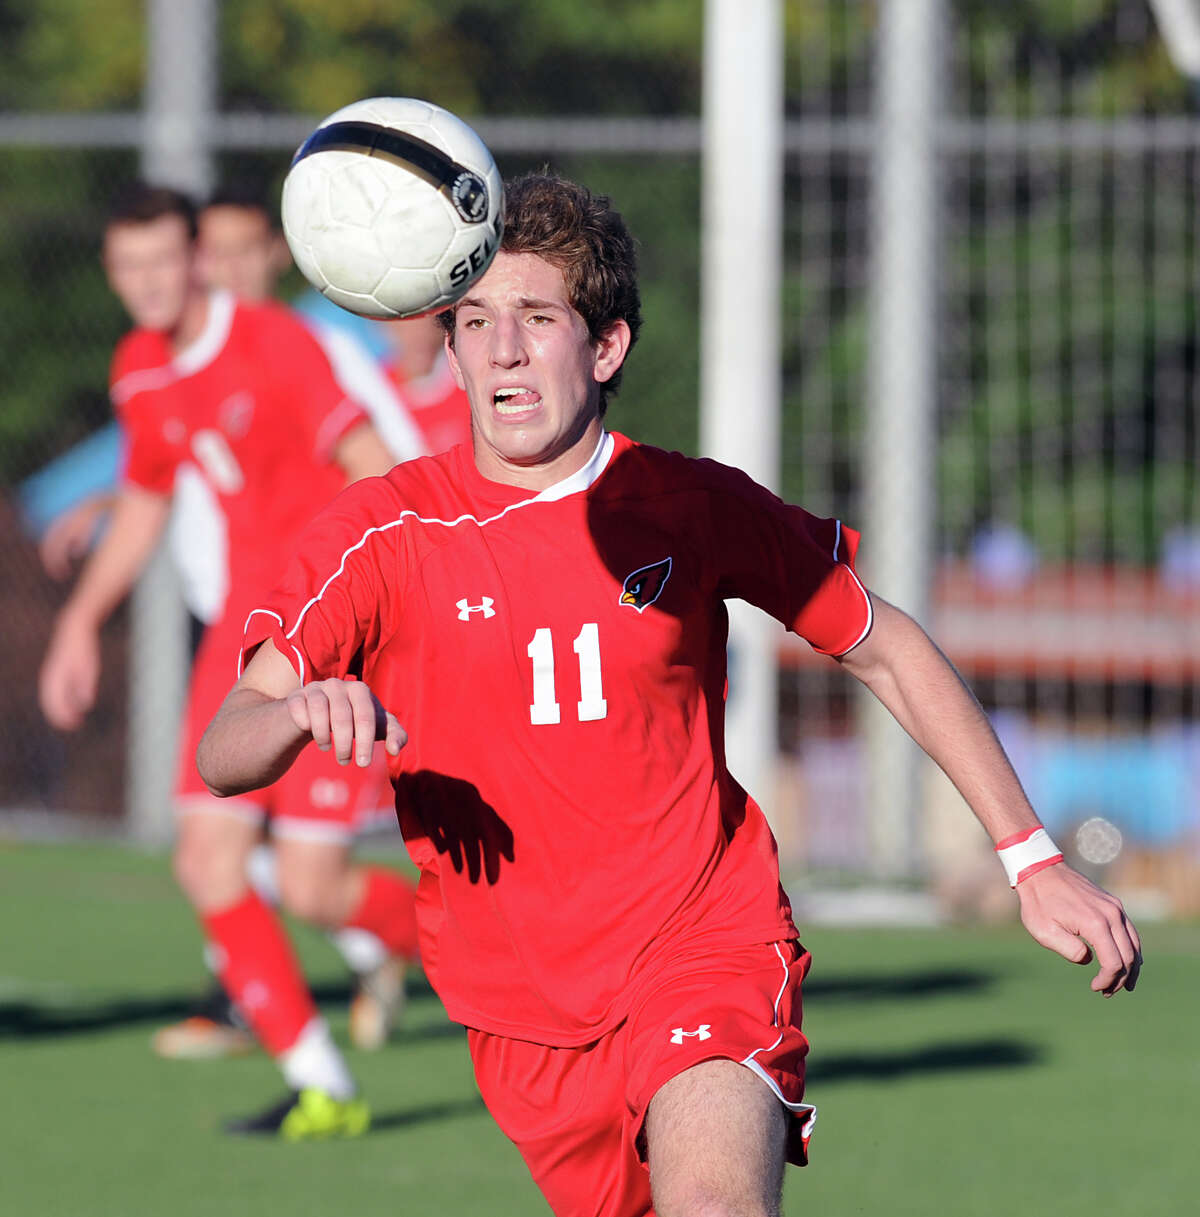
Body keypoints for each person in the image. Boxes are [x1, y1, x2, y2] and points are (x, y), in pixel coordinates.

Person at [196, 173, 1141, 1214]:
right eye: (475, 319)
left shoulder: (686, 504)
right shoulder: (383, 532)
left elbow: (882, 644)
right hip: (520, 1013)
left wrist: (1032, 857)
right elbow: (223, 746)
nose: (502, 348)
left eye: (536, 317)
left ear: (604, 347)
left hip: (704, 945)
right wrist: (290, 714)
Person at [38, 182, 420, 1139]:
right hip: (242, 645)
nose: (150, 282)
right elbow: (145, 501)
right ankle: (323, 1083)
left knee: (310, 886)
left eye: (167, 260)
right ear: (112, 274)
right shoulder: (140, 368)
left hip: (324, 630)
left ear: (197, 259)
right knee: (211, 858)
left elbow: (375, 466)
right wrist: (81, 620)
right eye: (130, 266)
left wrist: (374, 613)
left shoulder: (274, 341)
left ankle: (494, 957)